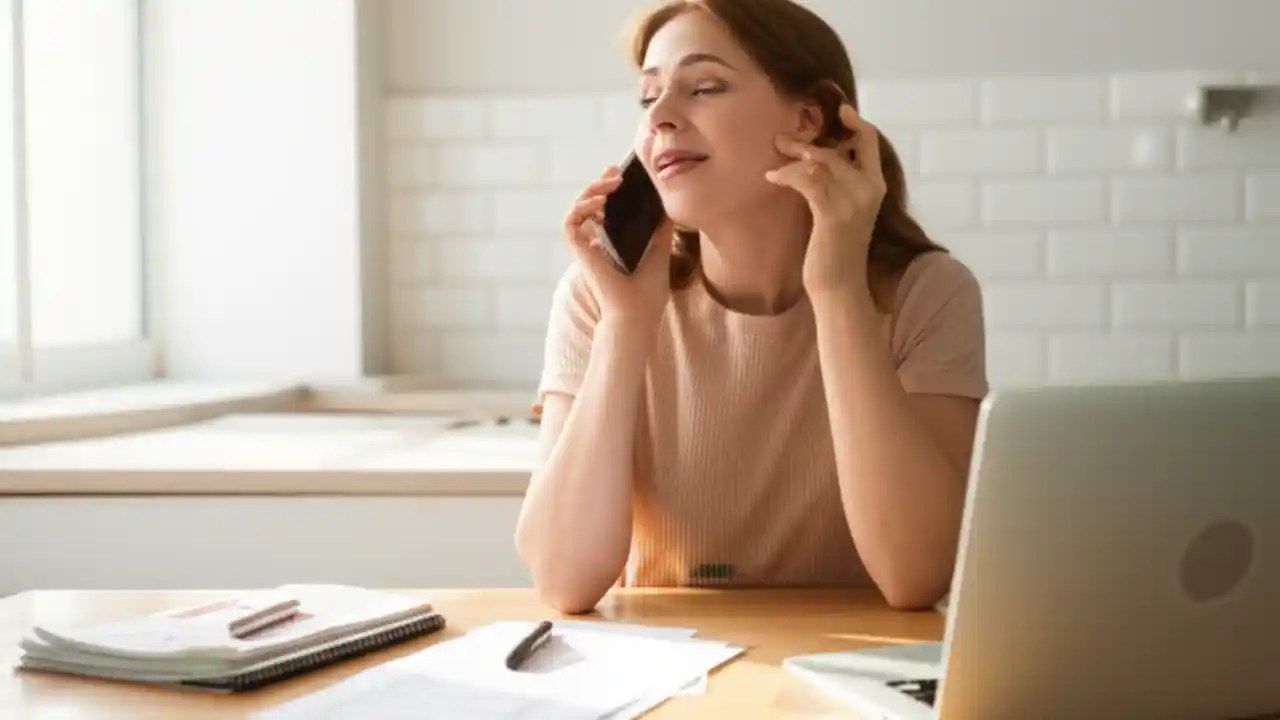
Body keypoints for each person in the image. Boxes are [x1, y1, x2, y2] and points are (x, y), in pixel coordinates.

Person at [515, 0, 989, 614]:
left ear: (809, 121)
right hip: (669, 675)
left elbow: (916, 575)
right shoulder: (598, 296)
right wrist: (626, 326)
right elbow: (561, 581)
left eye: (703, 87)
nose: (659, 116)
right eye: (648, 96)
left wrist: (839, 290)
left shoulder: (928, 293)